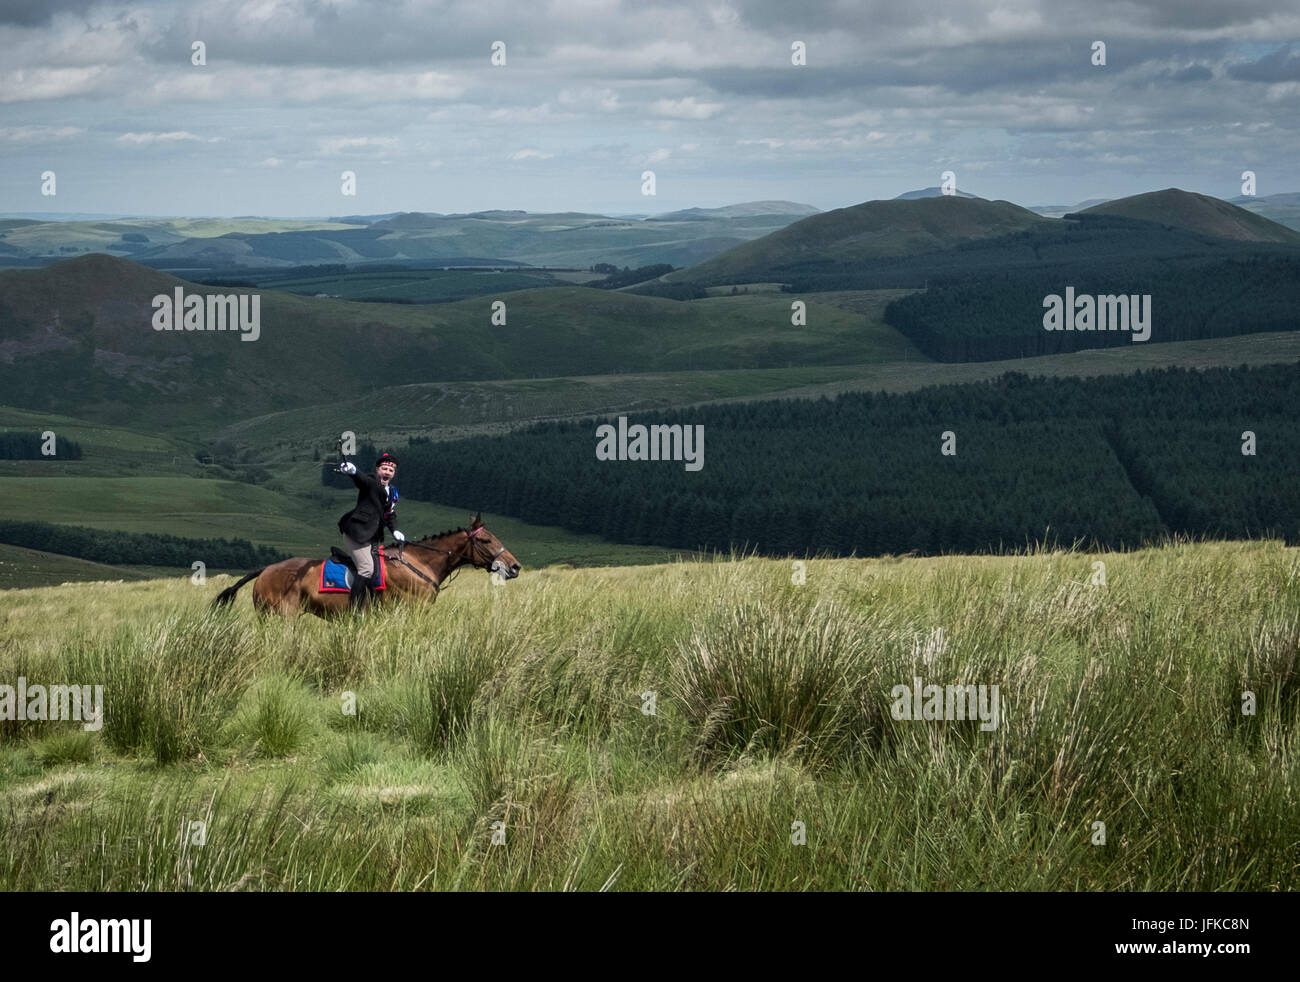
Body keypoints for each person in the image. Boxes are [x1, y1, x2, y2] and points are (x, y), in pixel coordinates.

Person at [336, 451, 406, 612]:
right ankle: (354, 610)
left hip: (373, 537)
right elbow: (363, 481)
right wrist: (353, 472)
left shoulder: (393, 493)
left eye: (391, 470)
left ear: (393, 474)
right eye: (384, 469)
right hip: (357, 533)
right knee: (366, 568)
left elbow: (389, 514)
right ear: (377, 470)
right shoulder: (372, 482)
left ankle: (372, 606)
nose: (387, 472)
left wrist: (395, 530)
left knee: (377, 570)